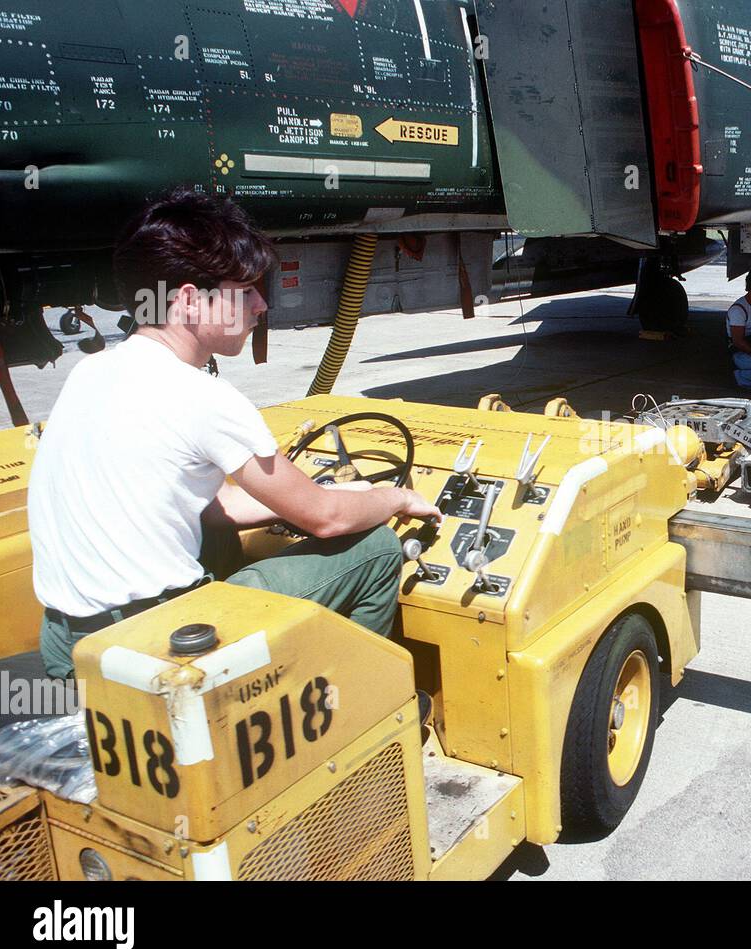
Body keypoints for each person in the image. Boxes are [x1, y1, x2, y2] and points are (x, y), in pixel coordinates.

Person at [27, 189, 442, 679]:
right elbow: (327, 520)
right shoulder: (200, 394)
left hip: (68, 645)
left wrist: (309, 497)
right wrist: (389, 498)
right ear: (187, 301)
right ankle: (353, 702)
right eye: (244, 292)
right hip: (161, 643)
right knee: (374, 550)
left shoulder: (93, 371)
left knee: (216, 539)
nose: (262, 304)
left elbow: (192, 503)